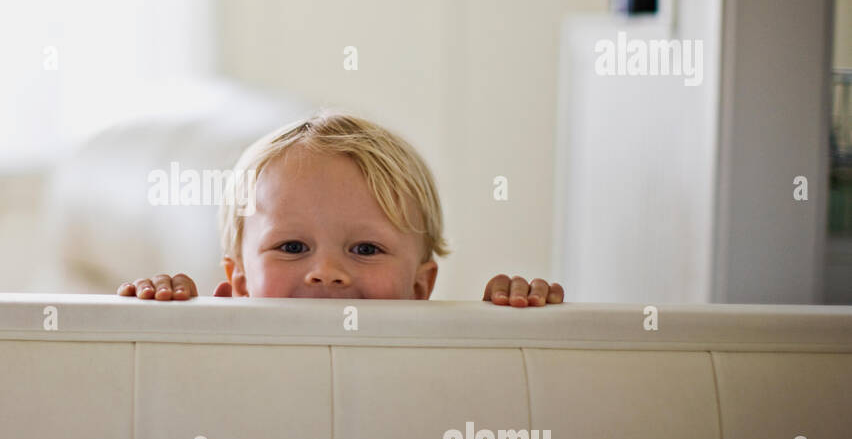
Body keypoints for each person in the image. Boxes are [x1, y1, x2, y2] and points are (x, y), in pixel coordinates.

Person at [117, 110, 563, 305]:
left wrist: (505, 334)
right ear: (239, 282)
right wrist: (167, 323)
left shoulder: (437, 360)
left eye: (366, 249)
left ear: (419, 286)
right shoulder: (220, 355)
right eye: (292, 247)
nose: (327, 272)